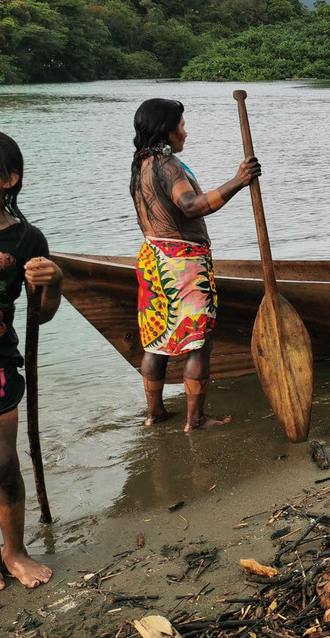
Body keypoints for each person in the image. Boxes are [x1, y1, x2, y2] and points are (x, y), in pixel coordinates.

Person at [0, 130, 62, 594]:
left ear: (9, 179)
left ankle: (14, 549)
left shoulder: (25, 237)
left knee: (0, 467)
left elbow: (41, 315)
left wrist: (52, 283)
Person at [130, 98, 261, 431]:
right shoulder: (168, 164)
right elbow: (191, 206)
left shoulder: (140, 165)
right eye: (181, 125)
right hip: (182, 263)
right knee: (199, 341)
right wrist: (238, 181)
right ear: (167, 128)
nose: (185, 131)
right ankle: (196, 419)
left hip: (152, 260)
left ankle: (154, 414)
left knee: (156, 340)